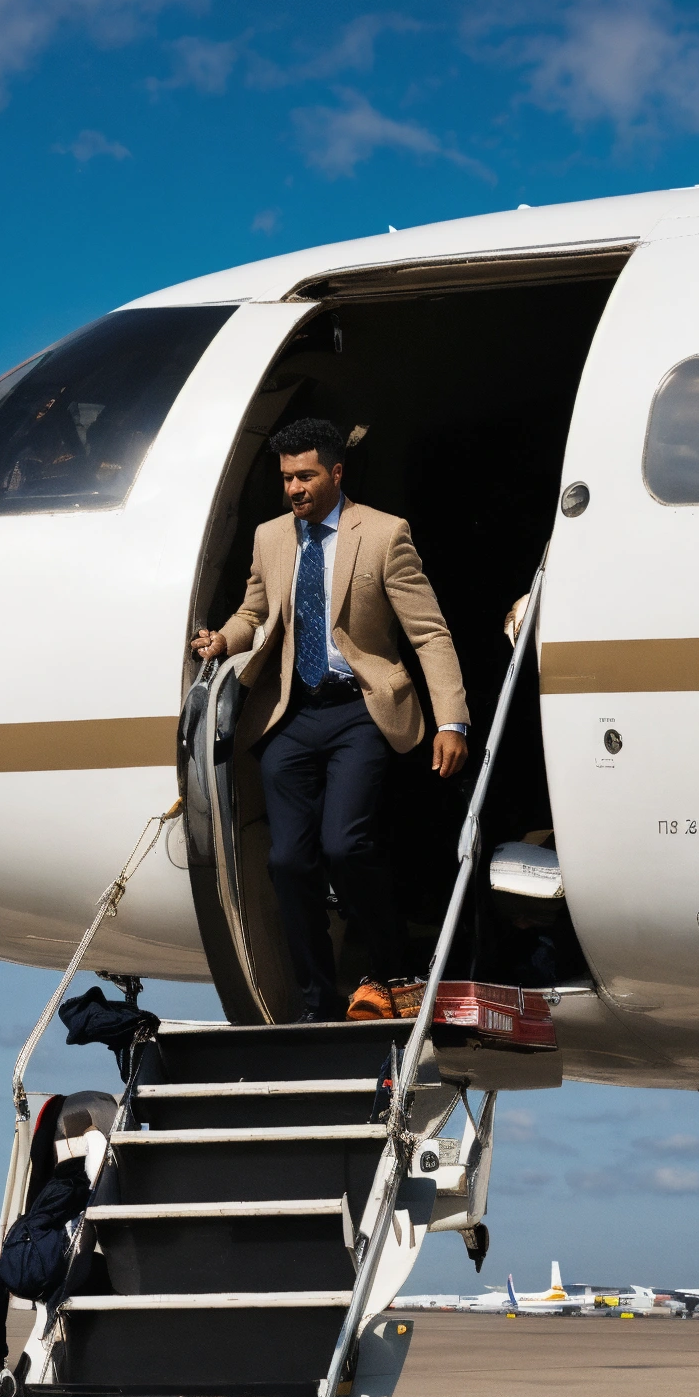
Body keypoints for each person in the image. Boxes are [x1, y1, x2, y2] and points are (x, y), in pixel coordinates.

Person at [193, 418, 469, 1022]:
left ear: (336, 473)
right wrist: (222, 640)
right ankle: (318, 1002)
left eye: (306, 475)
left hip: (361, 710)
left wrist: (452, 721)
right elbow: (254, 610)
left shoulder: (385, 533)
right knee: (289, 861)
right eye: (287, 477)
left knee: (346, 844)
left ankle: (393, 973)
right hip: (291, 714)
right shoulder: (271, 537)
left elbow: (428, 633)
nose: (294, 488)